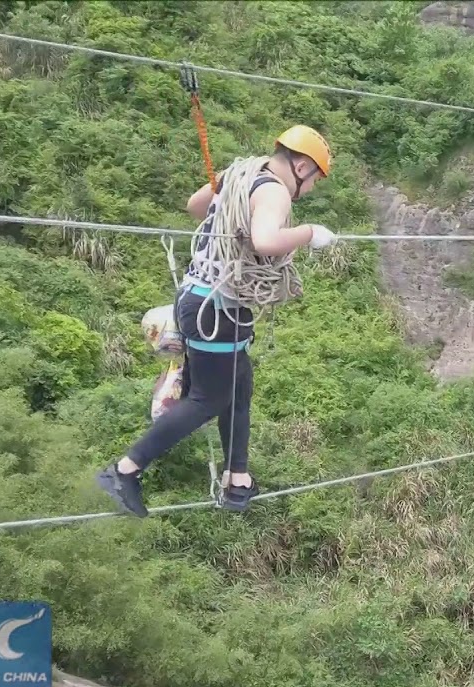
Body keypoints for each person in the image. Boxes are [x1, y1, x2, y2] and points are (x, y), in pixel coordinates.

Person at [96, 125, 338, 518]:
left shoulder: (239, 174)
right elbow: (264, 242)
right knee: (208, 399)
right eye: (314, 180)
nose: (310, 189)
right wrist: (310, 233)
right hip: (216, 308)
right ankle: (124, 471)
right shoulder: (274, 190)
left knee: (238, 384)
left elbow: (195, 206)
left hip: (205, 299)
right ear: (301, 165)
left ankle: (236, 477)